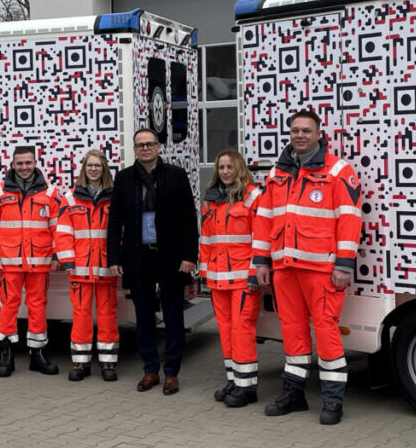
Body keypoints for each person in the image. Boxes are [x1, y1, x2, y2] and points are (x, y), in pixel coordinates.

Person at [253, 109, 361, 425]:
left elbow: (350, 219)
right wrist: (261, 261)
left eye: (306, 130)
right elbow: (264, 219)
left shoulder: (338, 170)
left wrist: (344, 264)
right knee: (292, 330)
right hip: (285, 268)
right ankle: (294, 395)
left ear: (318, 134)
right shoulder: (278, 172)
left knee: (326, 331)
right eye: (295, 130)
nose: (300, 135)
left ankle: (332, 401)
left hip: (322, 269)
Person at [107, 128, 198, 396]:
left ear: (159, 147)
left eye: (150, 144)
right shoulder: (123, 179)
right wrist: (114, 257)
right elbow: (114, 222)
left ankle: (171, 373)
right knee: (143, 317)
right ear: (134, 149)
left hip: (170, 257)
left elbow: (188, 220)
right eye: (140, 145)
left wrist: (189, 256)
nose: (145, 149)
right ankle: (150, 370)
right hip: (138, 257)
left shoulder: (176, 176)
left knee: (173, 316)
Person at [0, 145, 62, 377]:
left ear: (35, 163)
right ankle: (6, 354)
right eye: (20, 163)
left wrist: (57, 254)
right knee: (9, 306)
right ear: (13, 165)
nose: (24, 167)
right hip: (8, 262)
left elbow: (60, 227)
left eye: (28, 162)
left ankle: (38, 355)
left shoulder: (50, 193)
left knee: (38, 307)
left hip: (40, 261)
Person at [200, 148, 262, 408]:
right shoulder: (211, 199)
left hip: (243, 279)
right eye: (221, 167)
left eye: (230, 167)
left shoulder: (252, 197)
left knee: (241, 329)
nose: (225, 172)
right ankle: (234, 380)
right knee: (225, 330)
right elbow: (206, 240)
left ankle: (247, 387)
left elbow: (259, 240)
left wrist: (254, 274)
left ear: (239, 169)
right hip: (217, 278)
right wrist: (204, 274)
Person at [55, 149, 118, 382]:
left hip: (105, 269)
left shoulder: (114, 196)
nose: (94, 169)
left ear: (104, 169)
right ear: (84, 169)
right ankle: (80, 362)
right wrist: (68, 260)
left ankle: (108, 362)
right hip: (79, 268)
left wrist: (116, 260)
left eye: (98, 166)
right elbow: (63, 232)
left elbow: (119, 233)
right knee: (80, 315)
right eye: (90, 165)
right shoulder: (70, 197)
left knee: (107, 315)